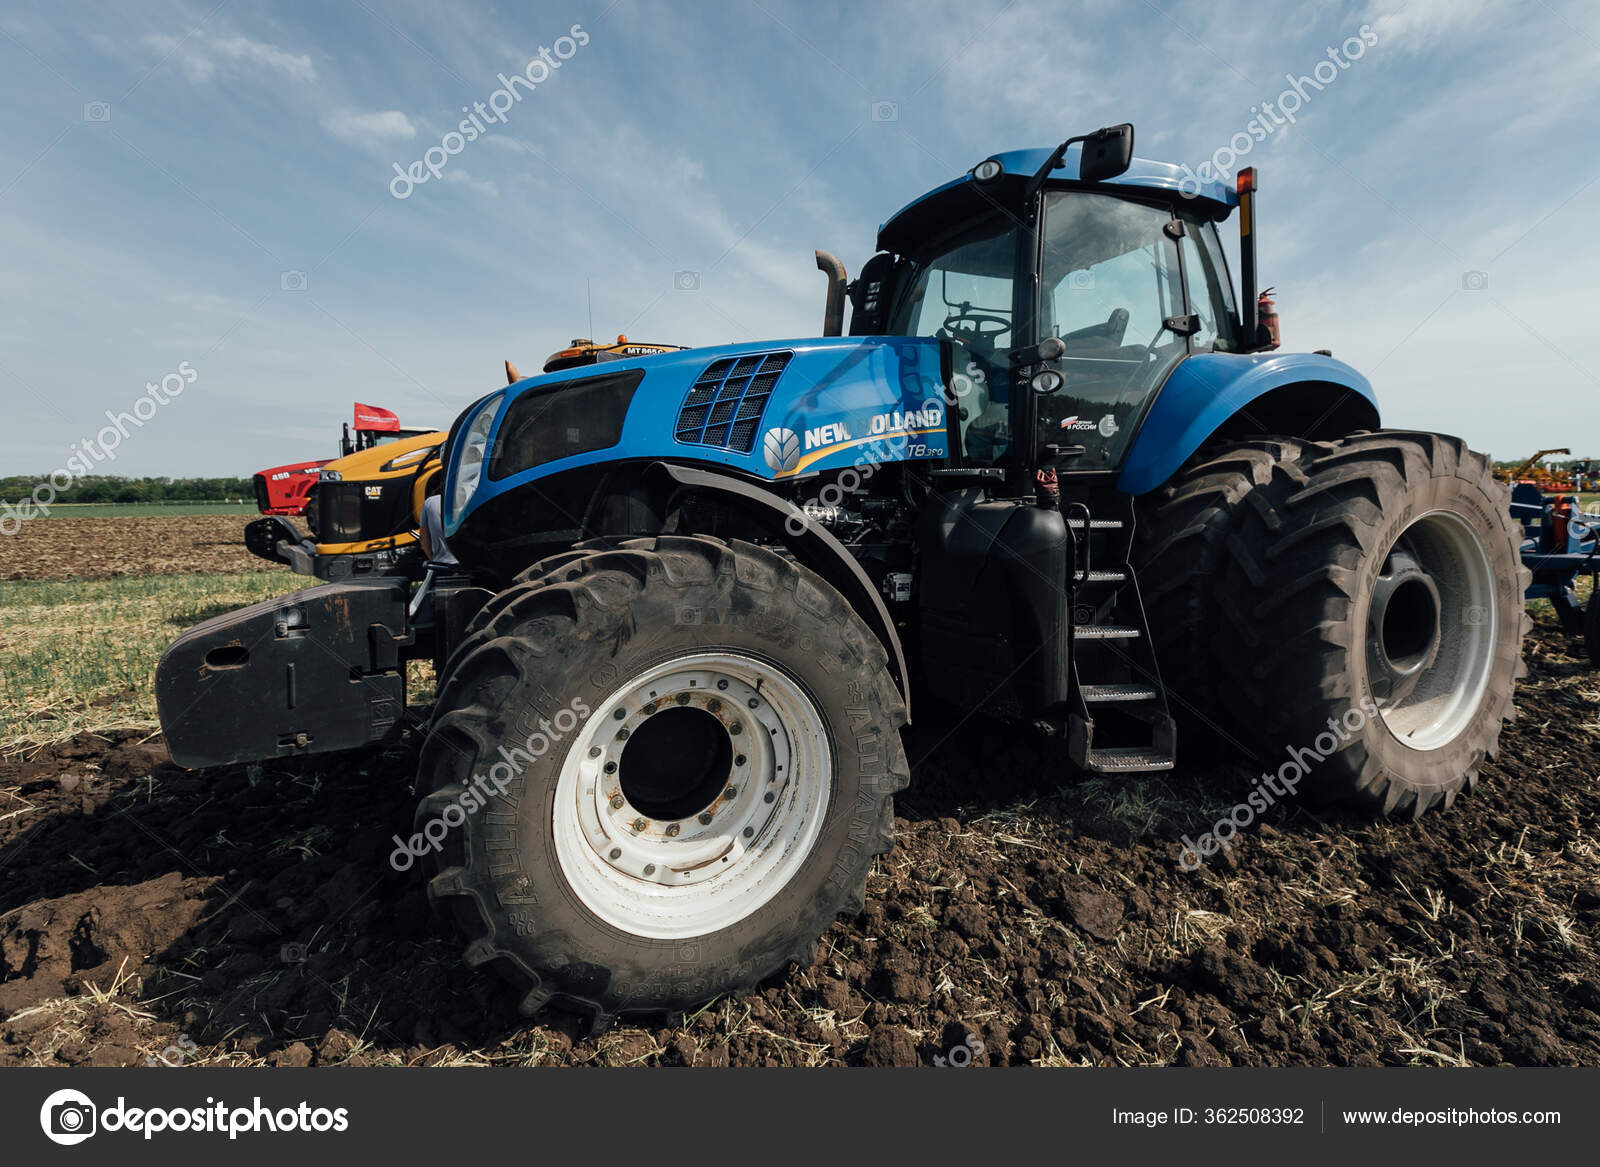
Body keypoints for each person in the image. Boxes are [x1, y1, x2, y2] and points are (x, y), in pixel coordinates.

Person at [417, 478, 458, 566]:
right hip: (467, 562)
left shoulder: (429, 502)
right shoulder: (465, 498)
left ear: (433, 491)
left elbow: (423, 537)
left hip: (441, 563)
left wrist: (433, 559)